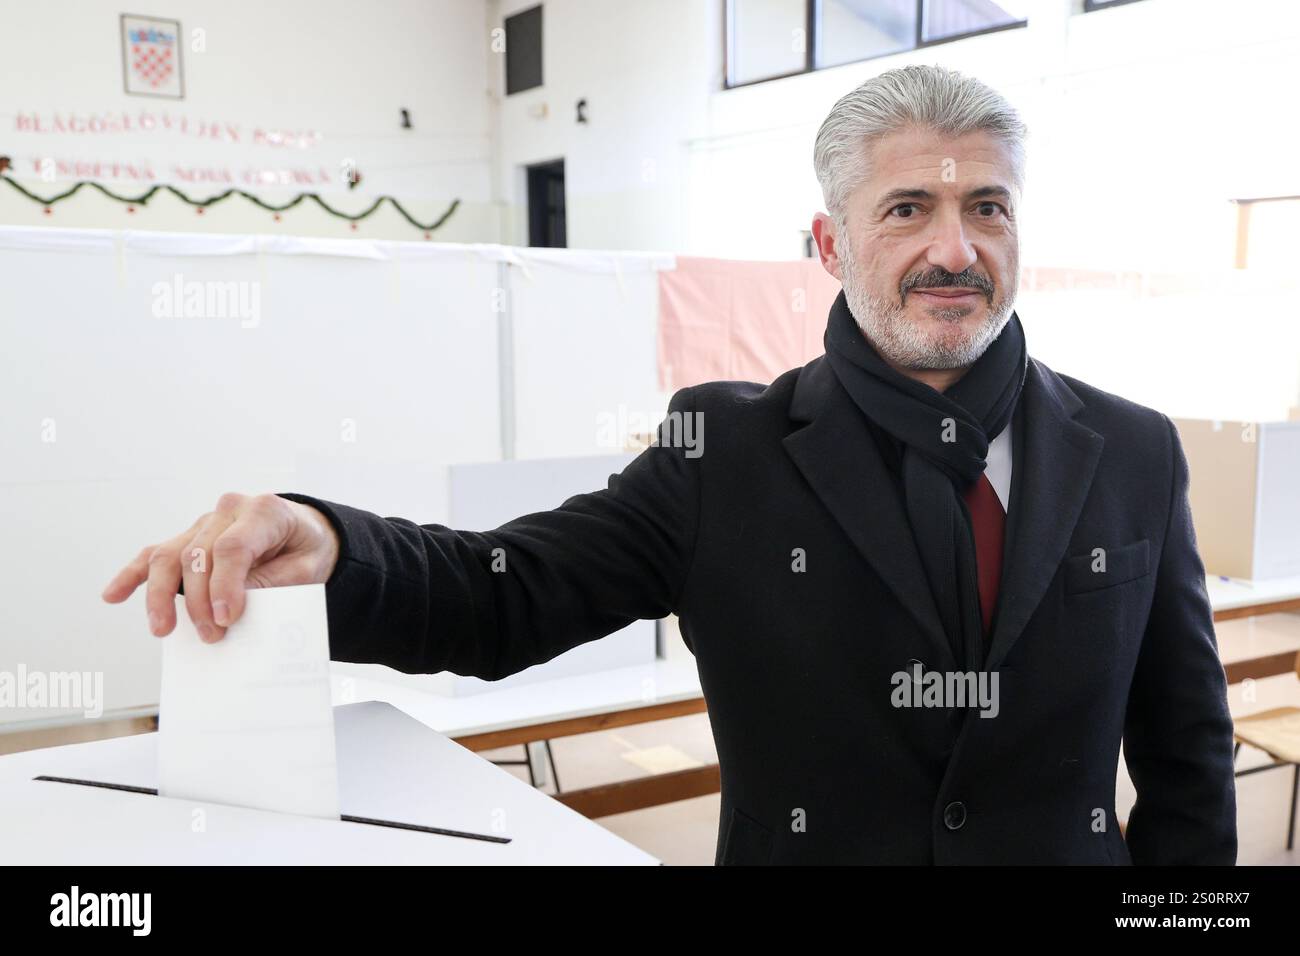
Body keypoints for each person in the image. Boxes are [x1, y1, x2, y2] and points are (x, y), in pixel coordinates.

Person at [103, 64, 1237, 865]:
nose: (955, 248)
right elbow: (503, 591)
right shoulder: (724, 452)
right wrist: (333, 540)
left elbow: (1186, 754)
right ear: (831, 243)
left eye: (986, 205)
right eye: (908, 208)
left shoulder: (1131, 449)